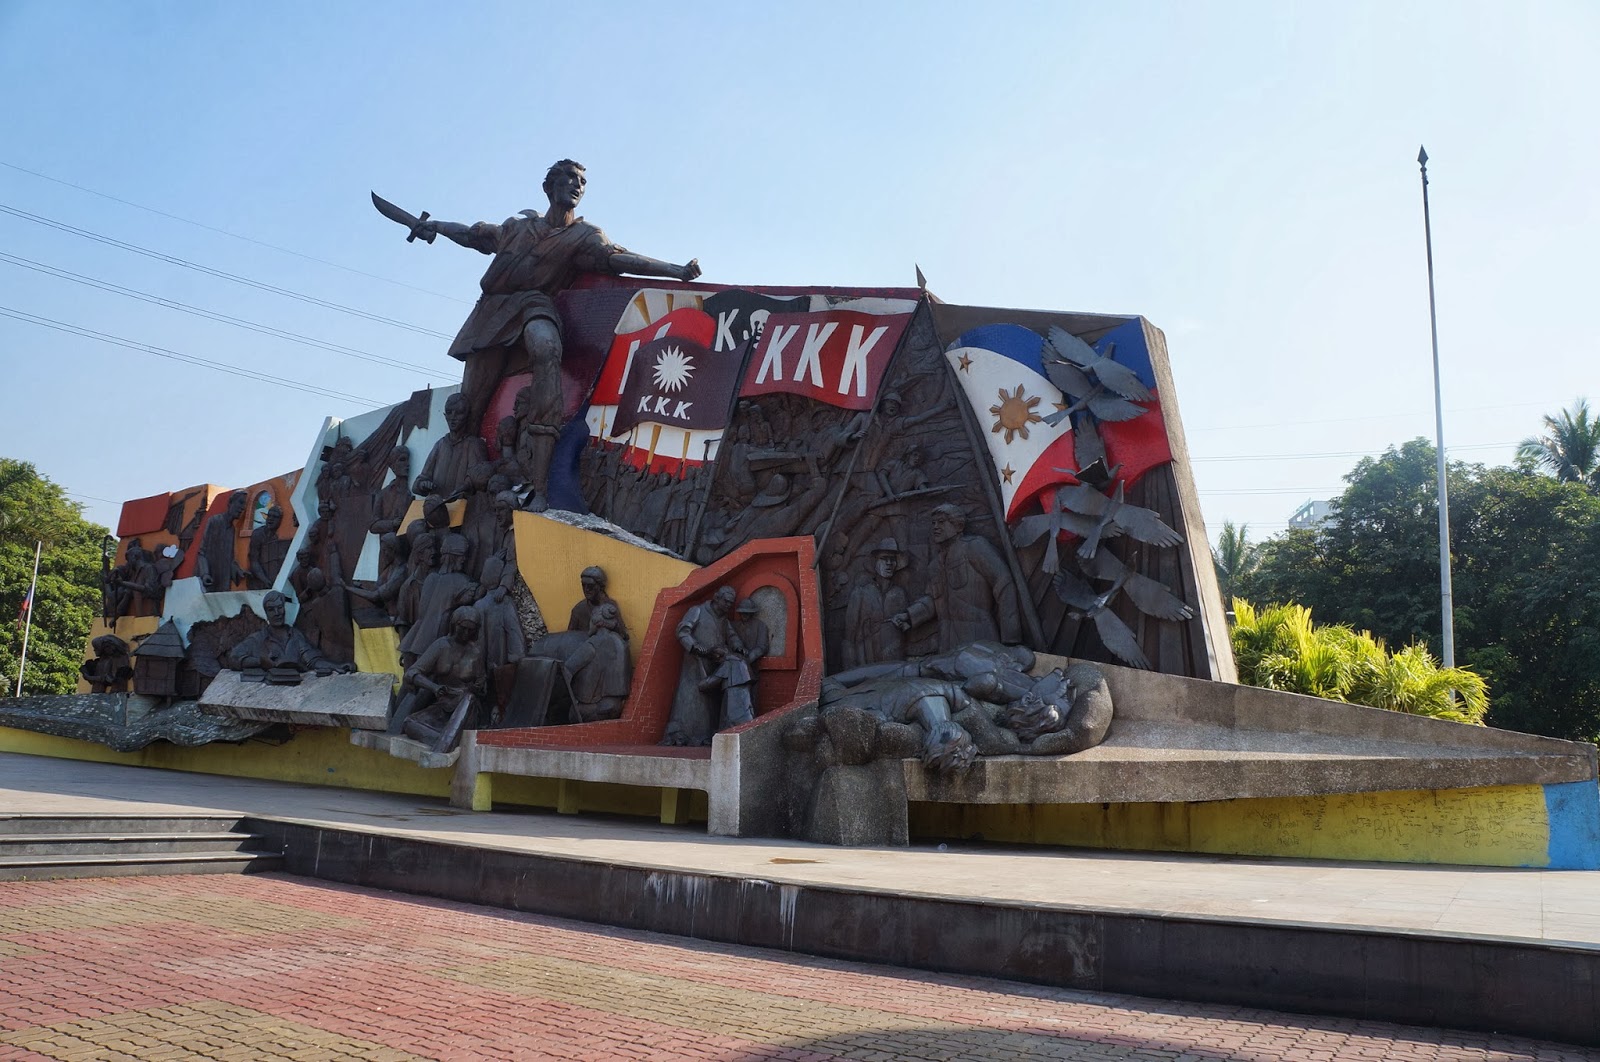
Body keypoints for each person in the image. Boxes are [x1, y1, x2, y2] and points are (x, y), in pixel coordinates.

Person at [404, 160, 702, 502]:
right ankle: (447, 498)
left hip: (535, 304)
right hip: (493, 311)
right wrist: (433, 227)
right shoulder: (517, 226)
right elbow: (473, 234)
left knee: (546, 348)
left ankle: (544, 480)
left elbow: (617, 258)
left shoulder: (584, 235)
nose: (578, 186)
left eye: (582, 182)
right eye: (570, 179)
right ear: (550, 188)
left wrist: (674, 270)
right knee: (469, 409)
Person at [893, 504, 1021, 651]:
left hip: (979, 638)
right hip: (947, 644)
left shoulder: (974, 547)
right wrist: (910, 616)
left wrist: (1011, 638)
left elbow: (1004, 584)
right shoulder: (935, 565)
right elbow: (934, 600)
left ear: (958, 526)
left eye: (941, 522)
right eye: (933, 523)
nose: (935, 527)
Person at [661, 585, 748, 746]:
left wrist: (738, 646)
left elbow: (732, 636)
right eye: (726, 602)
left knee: (710, 705)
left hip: (715, 663)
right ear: (717, 598)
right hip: (695, 663)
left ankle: (705, 736)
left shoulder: (724, 619)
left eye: (731, 603)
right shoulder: (698, 611)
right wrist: (695, 646)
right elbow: (682, 631)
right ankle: (683, 734)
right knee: (692, 701)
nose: (729, 606)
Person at [226, 591, 351, 676]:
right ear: (266, 613)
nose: (277, 613)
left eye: (280, 607)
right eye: (271, 609)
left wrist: (336, 666)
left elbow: (312, 660)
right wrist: (260, 662)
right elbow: (233, 658)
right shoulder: (257, 639)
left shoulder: (296, 635)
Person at [843, 539, 909, 668]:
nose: (889, 563)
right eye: (884, 559)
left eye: (892, 559)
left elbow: (907, 630)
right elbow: (849, 639)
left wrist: (903, 624)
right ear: (875, 562)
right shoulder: (860, 594)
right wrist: (849, 670)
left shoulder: (899, 594)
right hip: (867, 662)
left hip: (894, 664)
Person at [414, 393, 488, 501]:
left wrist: (465, 488)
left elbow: (478, 478)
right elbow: (419, 481)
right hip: (436, 507)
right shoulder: (440, 445)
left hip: (462, 507)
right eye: (449, 412)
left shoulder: (474, 445)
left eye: (458, 413)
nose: (453, 417)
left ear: (467, 415)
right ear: (445, 415)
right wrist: (423, 484)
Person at [196, 490, 248, 593]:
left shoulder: (232, 530)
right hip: (210, 579)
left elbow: (230, 559)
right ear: (230, 503)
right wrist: (205, 574)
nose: (242, 508)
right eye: (241, 503)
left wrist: (239, 571)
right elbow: (202, 552)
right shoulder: (214, 521)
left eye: (244, 505)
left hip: (223, 583)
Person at [567, 565, 627, 642]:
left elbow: (623, 636)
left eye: (590, 586)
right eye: (583, 585)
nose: (586, 589)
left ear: (601, 587)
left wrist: (611, 625)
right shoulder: (578, 610)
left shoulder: (610, 606)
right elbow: (569, 638)